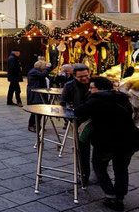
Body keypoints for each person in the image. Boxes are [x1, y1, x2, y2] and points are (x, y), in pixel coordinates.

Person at [74, 77, 139, 211]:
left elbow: (79, 111)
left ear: (100, 88)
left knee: (99, 166)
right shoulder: (122, 97)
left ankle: (110, 195)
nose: (90, 90)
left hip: (106, 141)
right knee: (121, 169)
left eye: (92, 87)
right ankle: (119, 198)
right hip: (129, 140)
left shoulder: (97, 99)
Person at [60, 63, 91, 184]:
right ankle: (84, 175)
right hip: (79, 120)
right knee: (82, 150)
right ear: (74, 76)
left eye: (86, 75)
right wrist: (70, 116)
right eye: (81, 77)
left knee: (100, 152)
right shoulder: (69, 85)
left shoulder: (95, 82)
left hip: (96, 120)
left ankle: (100, 173)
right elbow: (64, 102)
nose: (84, 78)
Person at [26, 60, 52, 132]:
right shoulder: (34, 71)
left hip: (39, 93)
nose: (44, 68)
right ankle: (31, 125)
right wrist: (47, 67)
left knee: (40, 110)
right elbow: (43, 75)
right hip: (35, 93)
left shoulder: (36, 71)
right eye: (44, 67)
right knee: (35, 110)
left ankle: (37, 125)